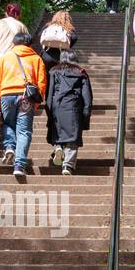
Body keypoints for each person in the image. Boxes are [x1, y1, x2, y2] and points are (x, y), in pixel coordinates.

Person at [0, 30, 47, 180]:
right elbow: (41, 83)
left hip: (6, 95)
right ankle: (19, 165)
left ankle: (9, 146)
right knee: (24, 131)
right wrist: (36, 103)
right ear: (29, 44)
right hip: (26, 97)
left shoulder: (5, 58)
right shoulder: (36, 59)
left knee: (7, 122)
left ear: (14, 43)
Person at [45, 47, 93, 175]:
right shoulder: (81, 73)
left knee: (58, 131)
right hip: (74, 106)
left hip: (57, 105)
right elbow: (87, 97)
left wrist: (49, 110)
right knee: (72, 138)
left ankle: (59, 147)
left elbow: (49, 94)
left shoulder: (53, 71)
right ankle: (67, 165)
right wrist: (86, 115)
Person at [0, 2, 24, 71]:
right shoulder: (22, 26)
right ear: (18, 14)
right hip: (14, 59)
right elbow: (27, 44)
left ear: (6, 13)